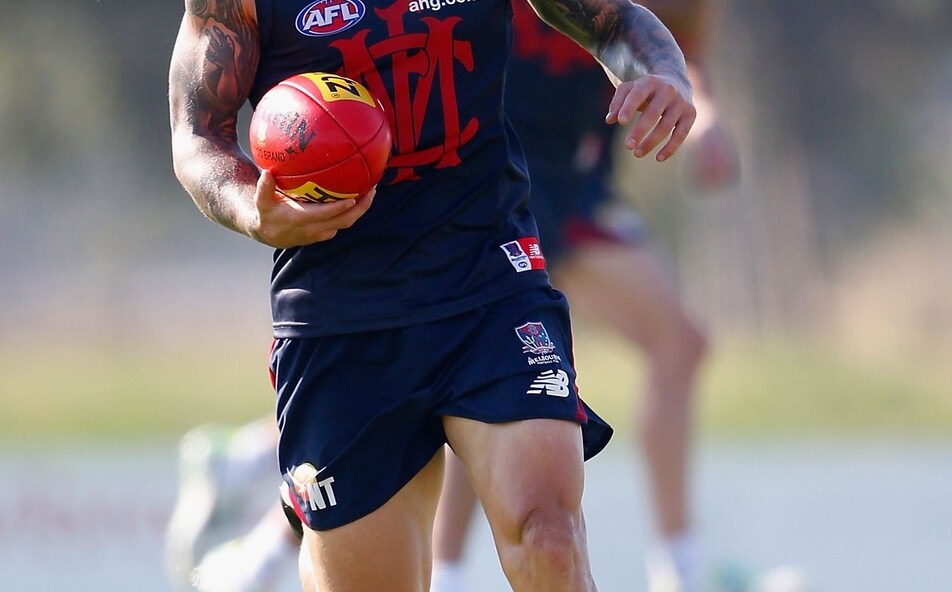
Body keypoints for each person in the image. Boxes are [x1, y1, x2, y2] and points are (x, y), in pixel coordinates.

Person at [168, 0, 695, 588]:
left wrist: (661, 73)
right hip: (339, 311)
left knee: (549, 536)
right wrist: (253, 211)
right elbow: (196, 136)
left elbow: (613, 20)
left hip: (489, 278)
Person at [430, 2, 738, 592]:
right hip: (493, 171)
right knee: (477, 377)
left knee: (680, 345)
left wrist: (707, 121)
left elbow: (682, 58)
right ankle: (436, 573)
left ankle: (680, 568)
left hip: (575, 186)